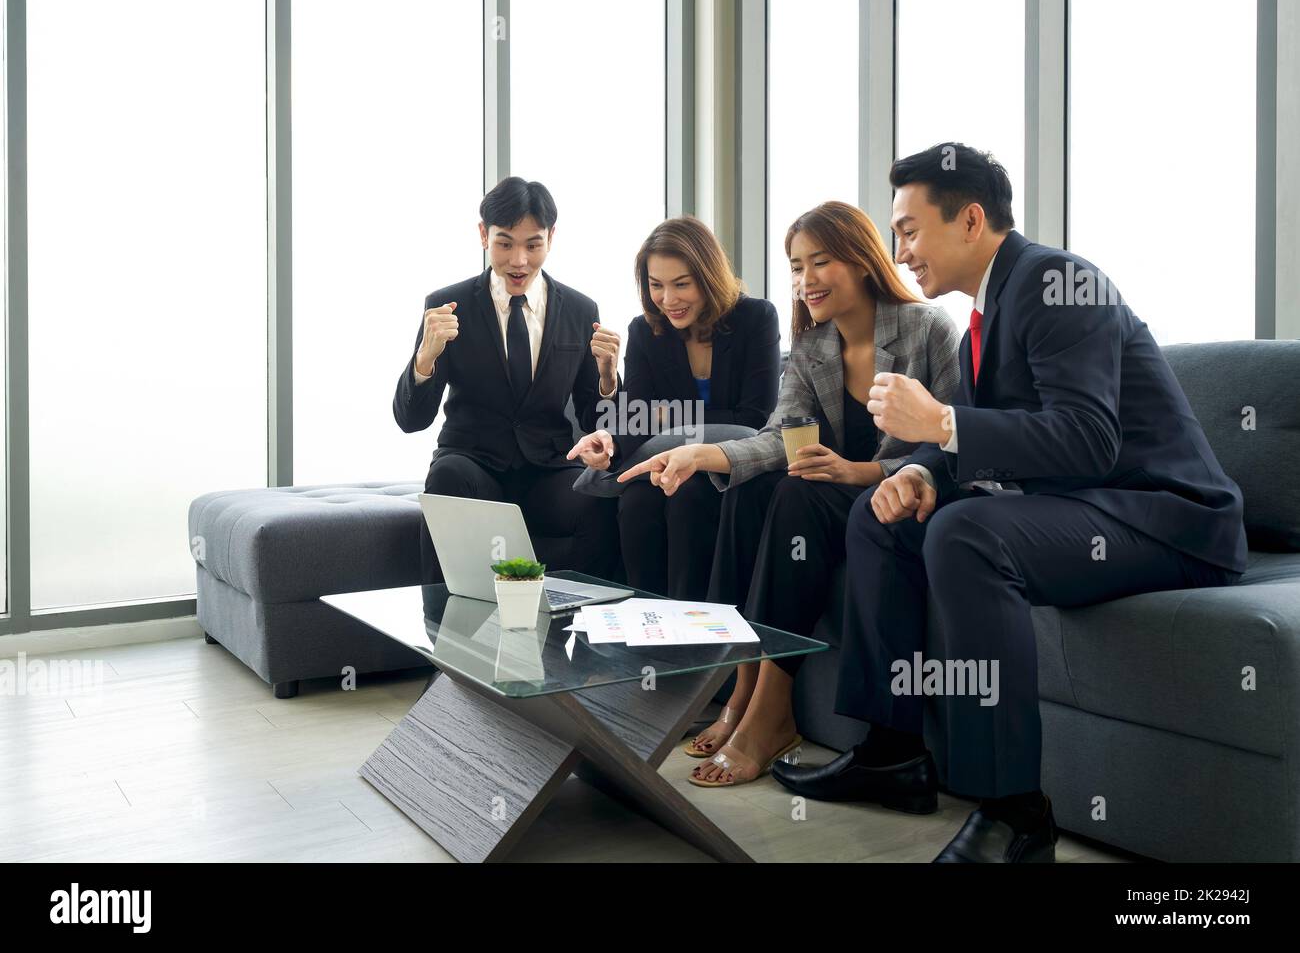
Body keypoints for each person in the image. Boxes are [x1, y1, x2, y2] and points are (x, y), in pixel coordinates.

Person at [772, 143, 1247, 863]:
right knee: (882, 517)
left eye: (907, 229)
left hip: (1164, 516)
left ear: (968, 220)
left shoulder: (1056, 282)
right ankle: (893, 752)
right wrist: (922, 473)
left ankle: (1016, 814)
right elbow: (970, 436)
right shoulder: (980, 319)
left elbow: (1087, 439)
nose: (898, 251)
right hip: (1088, 509)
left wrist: (937, 425)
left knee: (966, 535)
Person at [619, 201, 961, 786]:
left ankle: (769, 715)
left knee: (796, 495)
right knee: (752, 490)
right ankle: (741, 688)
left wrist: (865, 472)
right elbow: (779, 437)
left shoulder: (928, 329)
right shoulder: (813, 348)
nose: (805, 281)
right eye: (796, 267)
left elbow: (957, 443)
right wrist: (703, 455)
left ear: (861, 261)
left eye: (819, 263)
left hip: (906, 497)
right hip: (837, 498)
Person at [393, 176, 622, 584]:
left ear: (552, 238)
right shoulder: (449, 305)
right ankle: (439, 629)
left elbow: (594, 415)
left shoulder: (579, 309)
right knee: (445, 479)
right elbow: (411, 420)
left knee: (597, 497)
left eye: (533, 245)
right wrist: (425, 357)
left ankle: (583, 629)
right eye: (505, 243)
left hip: (547, 470)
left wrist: (607, 378)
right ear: (483, 235)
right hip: (473, 465)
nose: (519, 260)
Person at [567, 216, 781, 600]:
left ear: (709, 276)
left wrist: (671, 417)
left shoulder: (756, 318)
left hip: (728, 467)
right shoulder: (645, 331)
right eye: (656, 285)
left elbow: (754, 420)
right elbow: (639, 414)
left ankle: (694, 632)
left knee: (688, 499)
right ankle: (642, 624)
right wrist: (610, 443)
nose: (668, 299)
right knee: (636, 501)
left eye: (682, 284)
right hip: (665, 466)